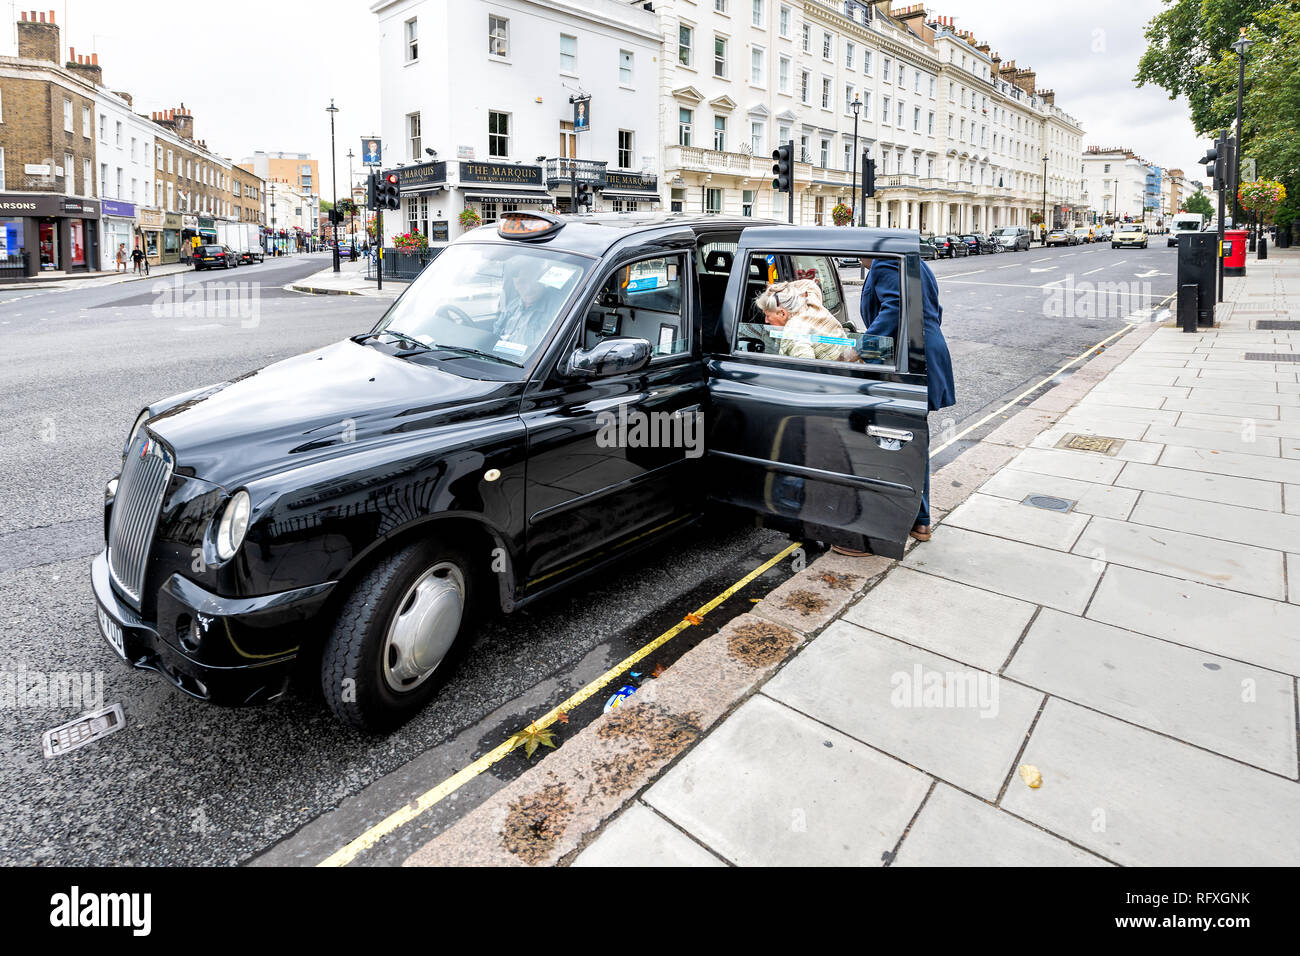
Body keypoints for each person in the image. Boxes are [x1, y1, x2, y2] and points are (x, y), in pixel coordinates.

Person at [859, 254, 955, 544]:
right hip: (922, 351)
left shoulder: (885, 263)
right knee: (907, 440)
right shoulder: (913, 261)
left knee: (894, 441)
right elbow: (933, 309)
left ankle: (892, 523)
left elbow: (896, 308)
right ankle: (919, 521)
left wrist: (864, 350)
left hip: (909, 358)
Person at [754, 279, 861, 363]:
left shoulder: (794, 331)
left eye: (768, 315)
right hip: (852, 370)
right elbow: (810, 285)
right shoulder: (809, 303)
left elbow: (805, 371)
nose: (766, 321)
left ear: (782, 313)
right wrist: (777, 291)